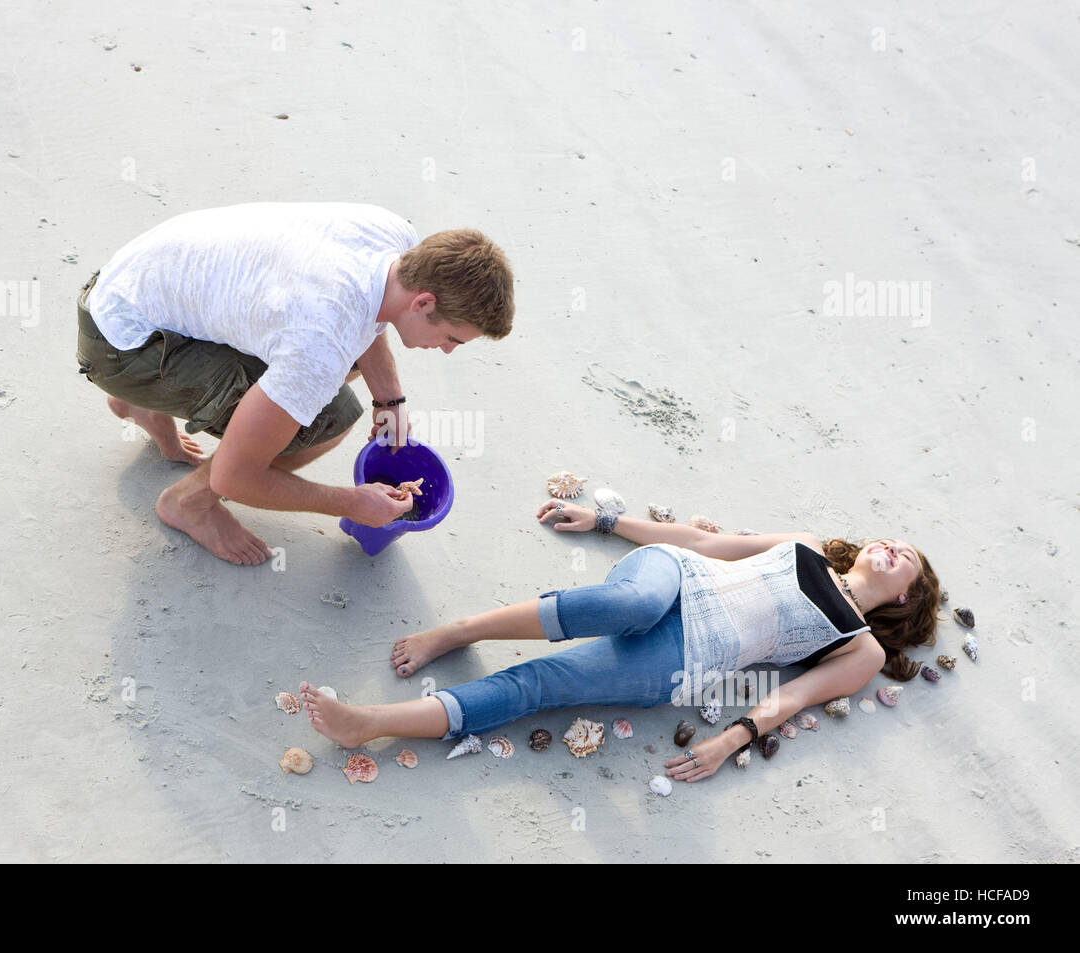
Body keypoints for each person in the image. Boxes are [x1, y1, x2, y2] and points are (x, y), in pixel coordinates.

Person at [299, 498, 941, 783]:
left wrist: (728, 741)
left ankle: (373, 723)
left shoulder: (863, 648)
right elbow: (707, 546)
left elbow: (796, 696)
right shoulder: (803, 545)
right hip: (675, 576)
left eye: (904, 553)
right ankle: (460, 630)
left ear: (909, 594)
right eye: (889, 537)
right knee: (632, 603)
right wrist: (606, 521)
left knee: (546, 685)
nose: (890, 544)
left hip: (691, 656)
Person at [75, 202, 514, 566]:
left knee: (334, 365)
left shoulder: (392, 236)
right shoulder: (321, 341)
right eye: (453, 338)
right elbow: (235, 478)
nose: (449, 350)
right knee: (331, 418)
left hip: (126, 288)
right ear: (425, 302)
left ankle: (145, 401)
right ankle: (187, 503)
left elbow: (365, 318)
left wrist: (391, 400)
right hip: (118, 349)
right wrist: (353, 503)